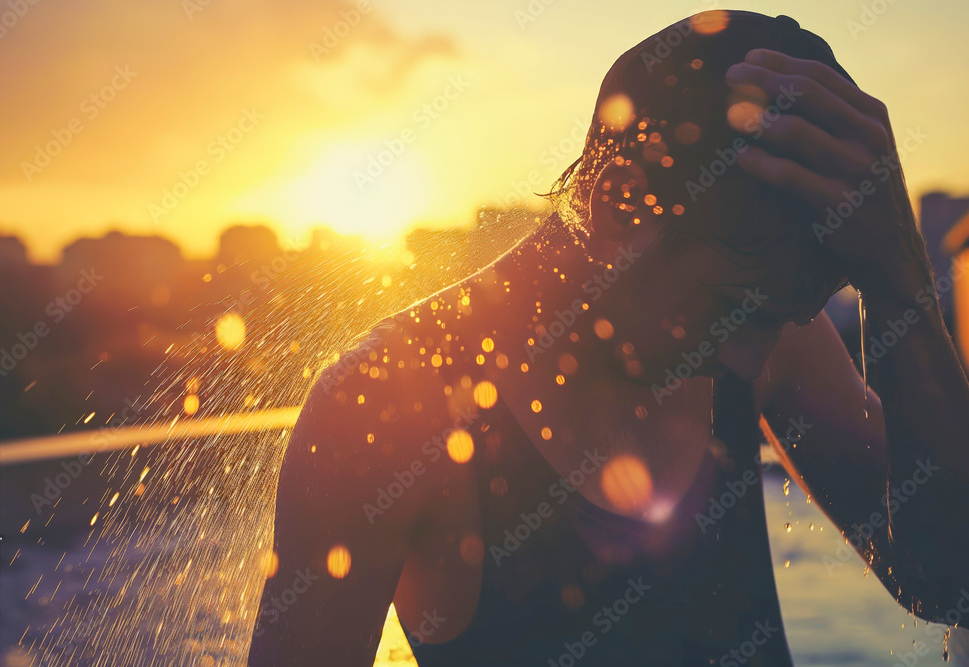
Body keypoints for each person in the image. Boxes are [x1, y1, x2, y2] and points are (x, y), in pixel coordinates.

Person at [248, 11, 969, 666]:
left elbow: (949, 583)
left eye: (785, 313)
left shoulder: (770, 318)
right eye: (735, 308)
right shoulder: (384, 408)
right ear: (620, 204)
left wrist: (899, 278)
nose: (753, 361)